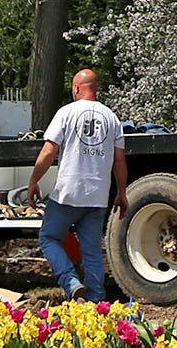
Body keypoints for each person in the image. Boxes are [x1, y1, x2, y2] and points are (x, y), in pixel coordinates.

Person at [27, 68, 128, 302]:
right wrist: (121, 192)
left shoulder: (66, 112)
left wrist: (34, 181)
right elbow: (119, 160)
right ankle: (97, 302)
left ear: (76, 88)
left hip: (68, 193)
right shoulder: (112, 118)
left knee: (49, 238)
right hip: (97, 196)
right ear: (95, 89)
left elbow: (49, 150)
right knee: (92, 252)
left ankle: (70, 281)